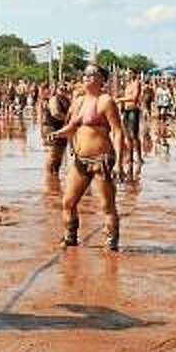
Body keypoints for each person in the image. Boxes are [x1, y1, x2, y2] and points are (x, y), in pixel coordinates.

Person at [48, 64, 124, 251]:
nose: (86, 77)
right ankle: (70, 237)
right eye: (85, 74)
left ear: (101, 80)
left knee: (107, 205)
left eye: (92, 74)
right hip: (80, 160)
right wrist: (57, 134)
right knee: (68, 202)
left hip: (102, 160)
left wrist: (119, 163)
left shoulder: (106, 101)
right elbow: (73, 127)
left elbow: (117, 131)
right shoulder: (79, 101)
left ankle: (111, 243)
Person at [41, 83, 71, 175]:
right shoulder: (54, 99)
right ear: (57, 89)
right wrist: (68, 119)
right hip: (51, 127)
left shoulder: (66, 100)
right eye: (61, 88)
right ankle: (49, 176)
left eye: (65, 88)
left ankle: (55, 173)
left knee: (61, 151)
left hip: (62, 127)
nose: (63, 90)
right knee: (53, 152)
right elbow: (55, 113)